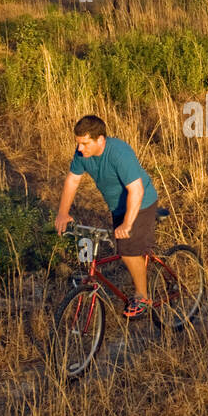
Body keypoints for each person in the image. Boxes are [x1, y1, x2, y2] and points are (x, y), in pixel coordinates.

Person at [54, 115, 159, 318]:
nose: (79, 148)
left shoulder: (119, 153)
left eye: (85, 143)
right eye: (78, 143)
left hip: (141, 202)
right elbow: (72, 181)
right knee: (124, 246)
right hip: (118, 206)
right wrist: (62, 213)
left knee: (127, 250)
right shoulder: (81, 155)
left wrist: (128, 224)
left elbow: (136, 190)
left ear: (100, 140)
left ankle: (142, 297)